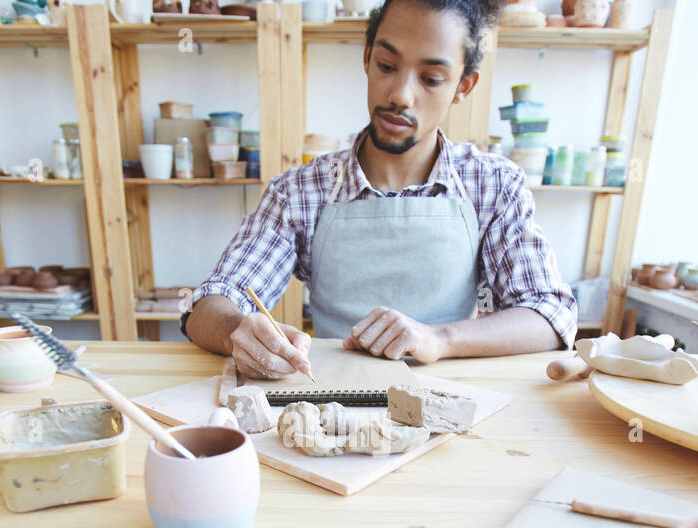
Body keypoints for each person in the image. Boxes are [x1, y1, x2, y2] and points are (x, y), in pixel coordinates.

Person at [181, 0, 577, 379]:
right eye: (387, 65)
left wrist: (439, 338)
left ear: (463, 86)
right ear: (367, 56)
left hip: (450, 408)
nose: (401, 95)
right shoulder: (301, 190)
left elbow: (550, 315)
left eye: (431, 79)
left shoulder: (492, 185)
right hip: (333, 407)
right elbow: (208, 306)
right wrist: (239, 331)